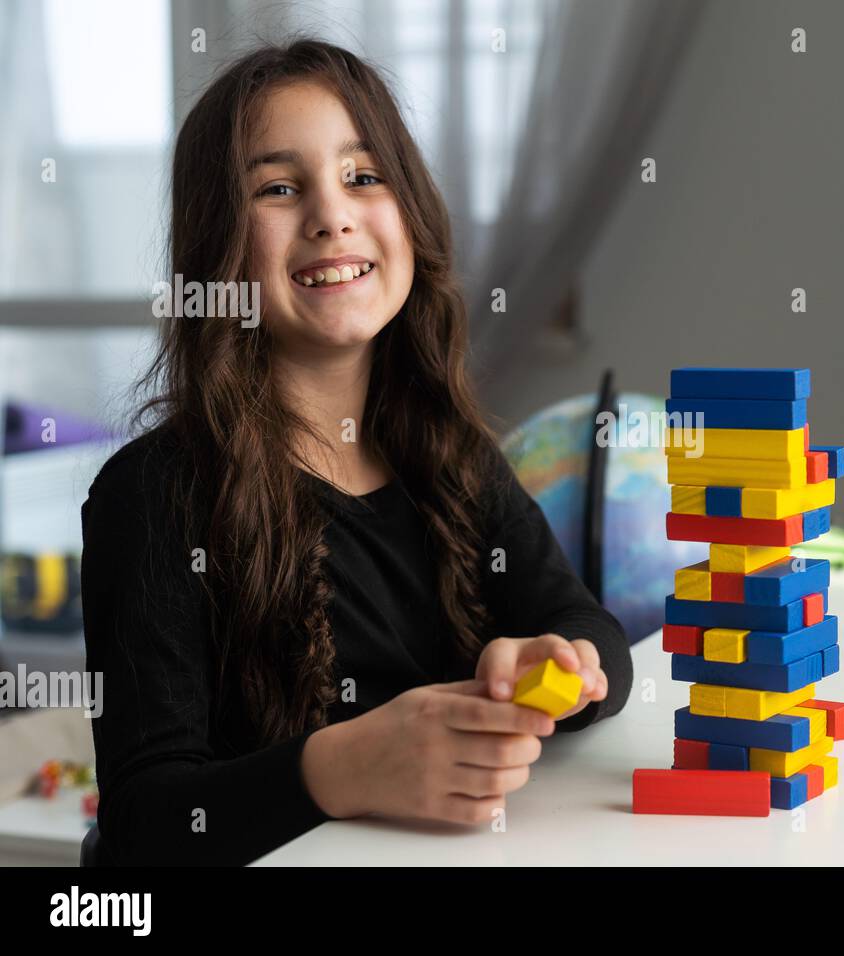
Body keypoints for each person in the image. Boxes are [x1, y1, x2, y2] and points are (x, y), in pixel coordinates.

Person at [80, 38, 632, 866]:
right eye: (277, 188)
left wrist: (559, 666)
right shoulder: (153, 497)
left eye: (363, 176)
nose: (331, 215)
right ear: (217, 248)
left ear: (410, 212)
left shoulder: (453, 457)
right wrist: (339, 769)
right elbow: (145, 824)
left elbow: (591, 630)